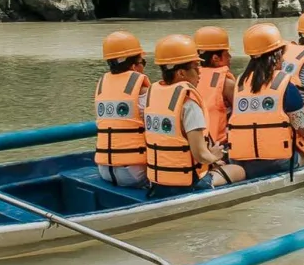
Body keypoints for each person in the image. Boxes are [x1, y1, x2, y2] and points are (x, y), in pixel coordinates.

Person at [143, 35, 245, 197]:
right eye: (196, 67)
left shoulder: (152, 96)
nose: (199, 72)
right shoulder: (189, 104)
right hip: (188, 184)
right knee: (238, 170)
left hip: (157, 183)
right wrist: (215, 157)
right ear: (181, 73)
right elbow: (200, 155)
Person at [227, 23, 304, 179]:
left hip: (242, 162)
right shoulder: (285, 86)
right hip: (278, 162)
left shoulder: (240, 84)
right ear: (277, 56)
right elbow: (303, 128)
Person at [94, 31, 151, 188]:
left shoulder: (102, 85)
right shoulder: (143, 92)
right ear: (134, 66)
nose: (143, 66)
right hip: (134, 174)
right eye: (143, 62)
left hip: (104, 170)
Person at [192, 26, 236, 146]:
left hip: (195, 146)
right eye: (227, 54)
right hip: (219, 146)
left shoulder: (188, 80)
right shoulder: (227, 84)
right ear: (215, 58)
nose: (230, 57)